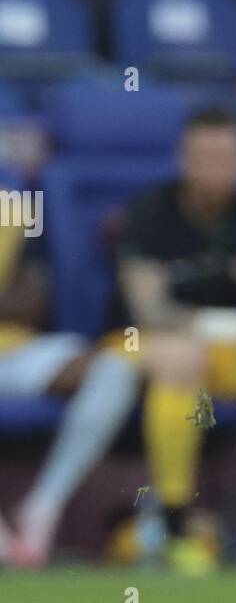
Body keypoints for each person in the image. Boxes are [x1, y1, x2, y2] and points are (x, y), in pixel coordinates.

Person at [115, 107, 236, 575]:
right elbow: (148, 310)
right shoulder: (150, 213)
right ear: (183, 158)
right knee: (182, 359)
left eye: (226, 156)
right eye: (203, 156)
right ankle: (175, 518)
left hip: (233, 356)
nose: (215, 167)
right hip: (152, 347)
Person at [0, 177, 140, 567]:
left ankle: (43, 505)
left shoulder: (11, 208)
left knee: (116, 368)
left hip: (14, 348)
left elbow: (33, 298)